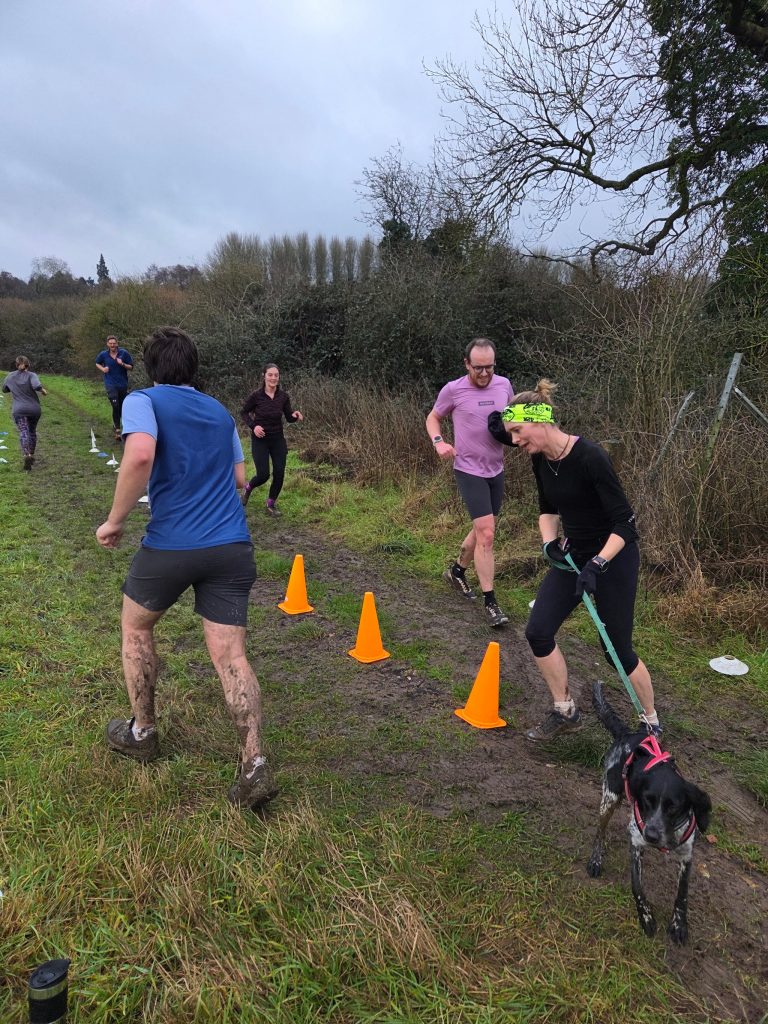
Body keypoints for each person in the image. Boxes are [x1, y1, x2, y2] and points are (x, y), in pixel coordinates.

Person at [96, 327, 276, 811]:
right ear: (195, 368)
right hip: (232, 546)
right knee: (231, 655)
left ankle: (143, 731)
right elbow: (241, 479)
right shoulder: (219, 412)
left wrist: (115, 521)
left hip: (172, 546)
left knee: (135, 628)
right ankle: (254, 763)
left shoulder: (143, 401)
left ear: (152, 368)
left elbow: (138, 454)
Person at [493, 379, 661, 741]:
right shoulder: (540, 459)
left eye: (519, 431)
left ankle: (651, 721)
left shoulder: (591, 458)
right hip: (573, 558)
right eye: (512, 433)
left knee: (616, 647)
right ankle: (565, 710)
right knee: (538, 631)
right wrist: (549, 544)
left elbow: (626, 524)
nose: (516, 441)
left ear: (540, 422)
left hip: (613, 557)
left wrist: (598, 564)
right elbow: (547, 508)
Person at [426, 337, 514, 628]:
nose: (485, 373)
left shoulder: (504, 385)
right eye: (478, 368)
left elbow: (513, 419)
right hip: (468, 469)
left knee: (482, 529)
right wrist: (439, 442)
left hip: (496, 469)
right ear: (467, 364)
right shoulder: (454, 389)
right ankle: (491, 603)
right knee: (487, 533)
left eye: (489, 367)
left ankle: (456, 571)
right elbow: (433, 418)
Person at [240, 363, 303, 516]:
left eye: (276, 375)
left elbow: (288, 417)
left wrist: (295, 416)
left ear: (278, 377)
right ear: (264, 376)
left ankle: (270, 504)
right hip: (260, 439)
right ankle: (248, 488)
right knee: (263, 475)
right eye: (270, 375)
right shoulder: (256, 396)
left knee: (280, 472)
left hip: (277, 439)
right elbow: (244, 412)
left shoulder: (283, 397)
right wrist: (254, 426)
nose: (273, 378)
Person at [2, 355, 47, 470]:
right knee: (32, 431)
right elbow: (37, 386)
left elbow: (4, 389)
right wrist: (43, 391)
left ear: (16, 365)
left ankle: (26, 454)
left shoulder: (10, 376)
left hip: (19, 410)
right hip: (34, 410)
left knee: (23, 431)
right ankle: (31, 454)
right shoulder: (32, 375)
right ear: (28, 365)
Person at [95, 335, 134, 441]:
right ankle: (117, 429)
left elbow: (131, 366)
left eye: (114, 343)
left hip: (122, 384)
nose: (112, 345)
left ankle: (122, 426)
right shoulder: (103, 354)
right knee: (115, 404)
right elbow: (97, 363)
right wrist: (103, 369)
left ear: (117, 343)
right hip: (110, 384)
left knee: (122, 407)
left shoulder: (124, 353)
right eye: (110, 343)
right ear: (107, 344)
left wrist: (123, 364)